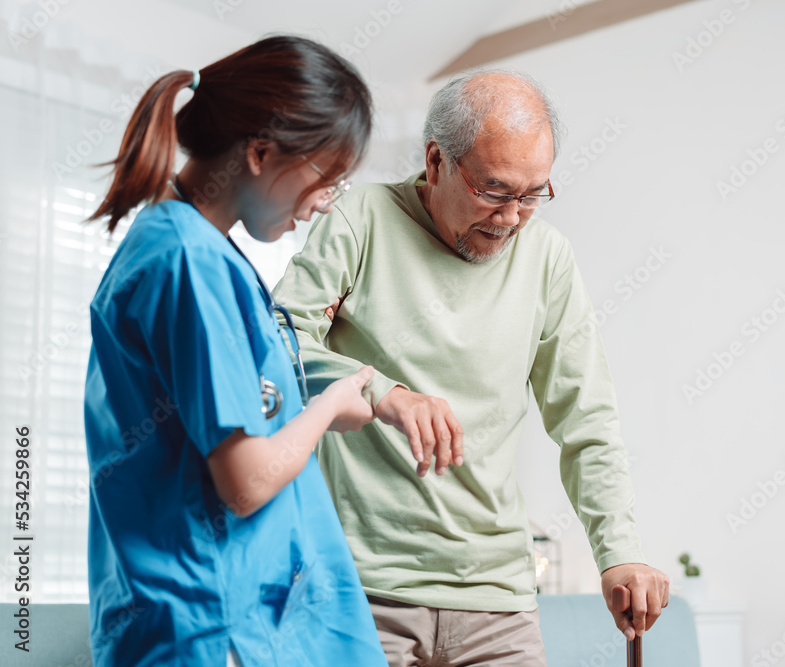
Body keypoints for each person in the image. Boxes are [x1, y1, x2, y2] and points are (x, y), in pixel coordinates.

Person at [271, 70, 669, 666]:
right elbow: (273, 343)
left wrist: (620, 553)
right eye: (495, 191)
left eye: (533, 194)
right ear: (436, 161)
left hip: (497, 601)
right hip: (358, 588)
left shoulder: (547, 259)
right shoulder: (364, 219)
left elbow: (586, 419)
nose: (512, 218)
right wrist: (382, 392)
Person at [83, 36, 388, 667]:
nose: (325, 203)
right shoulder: (188, 260)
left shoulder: (193, 250)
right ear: (258, 153)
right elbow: (246, 482)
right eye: (324, 178)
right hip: (214, 630)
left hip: (221, 620)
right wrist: (328, 409)